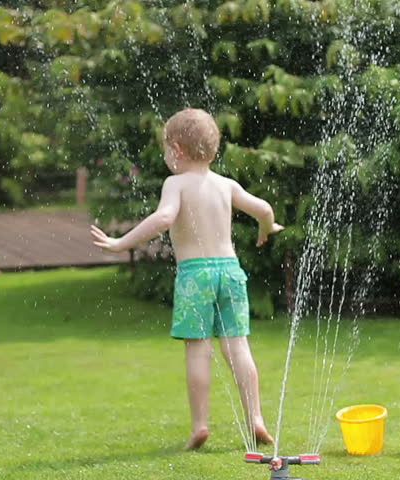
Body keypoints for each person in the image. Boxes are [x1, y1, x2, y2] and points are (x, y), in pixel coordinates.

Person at [90, 108, 282, 450]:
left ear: (177, 149)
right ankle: (255, 417)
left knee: (198, 351)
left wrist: (120, 243)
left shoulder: (175, 184)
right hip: (230, 271)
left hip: (196, 276)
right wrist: (266, 230)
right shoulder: (226, 185)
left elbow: (164, 218)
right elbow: (265, 210)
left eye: (165, 150)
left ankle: (199, 426)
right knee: (237, 347)